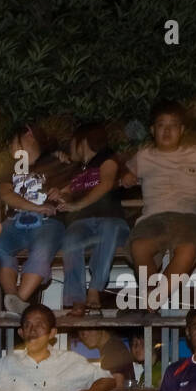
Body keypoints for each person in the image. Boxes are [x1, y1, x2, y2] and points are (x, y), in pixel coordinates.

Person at [120, 101, 196, 311]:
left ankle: (154, 300)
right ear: (152, 130)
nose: (167, 131)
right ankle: (152, 296)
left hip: (188, 216)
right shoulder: (144, 155)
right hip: (153, 218)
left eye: (173, 125)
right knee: (139, 246)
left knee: (188, 248)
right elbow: (124, 174)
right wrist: (128, 177)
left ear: (181, 130)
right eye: (161, 125)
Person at [0, 123, 73, 314]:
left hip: (48, 222)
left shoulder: (57, 161)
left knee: (42, 248)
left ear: (29, 136)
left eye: (13, 143)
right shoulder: (10, 167)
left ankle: (17, 304)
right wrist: (36, 207)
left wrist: (61, 193)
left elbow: (73, 190)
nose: (10, 149)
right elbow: (6, 193)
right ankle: (14, 299)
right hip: (15, 221)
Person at [54, 123, 129, 316]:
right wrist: (59, 195)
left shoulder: (107, 158)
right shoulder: (75, 169)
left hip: (112, 220)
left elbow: (106, 184)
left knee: (109, 228)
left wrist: (77, 205)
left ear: (81, 142)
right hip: (83, 224)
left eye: (72, 143)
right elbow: (65, 192)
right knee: (70, 238)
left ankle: (95, 288)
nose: (69, 148)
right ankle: (76, 299)